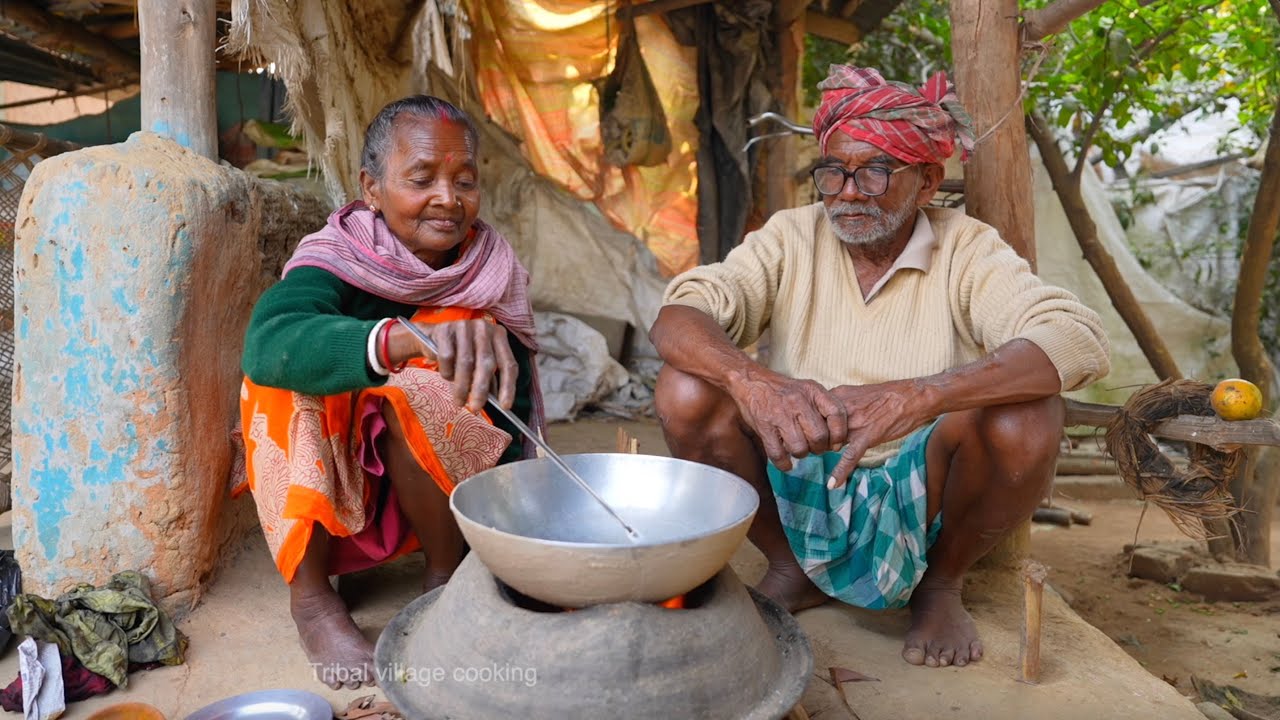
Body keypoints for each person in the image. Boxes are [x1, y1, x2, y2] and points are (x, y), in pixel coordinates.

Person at [649, 65, 1110, 669]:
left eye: (873, 171)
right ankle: (792, 566)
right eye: (832, 171)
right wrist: (751, 379)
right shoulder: (792, 235)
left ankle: (941, 585)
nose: (846, 191)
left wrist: (919, 396)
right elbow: (681, 313)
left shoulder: (967, 247)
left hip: (926, 481)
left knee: (1028, 416)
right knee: (687, 387)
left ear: (926, 182)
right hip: (801, 460)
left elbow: (1075, 336)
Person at [234, 95, 543, 689]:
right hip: (344, 475)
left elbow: (512, 412)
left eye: (465, 180)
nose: (448, 199)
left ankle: (445, 579)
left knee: (423, 390)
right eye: (422, 178)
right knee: (280, 384)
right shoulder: (336, 259)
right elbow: (270, 341)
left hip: (444, 492)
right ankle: (314, 600)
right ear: (371, 188)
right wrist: (401, 341)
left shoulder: (490, 271)